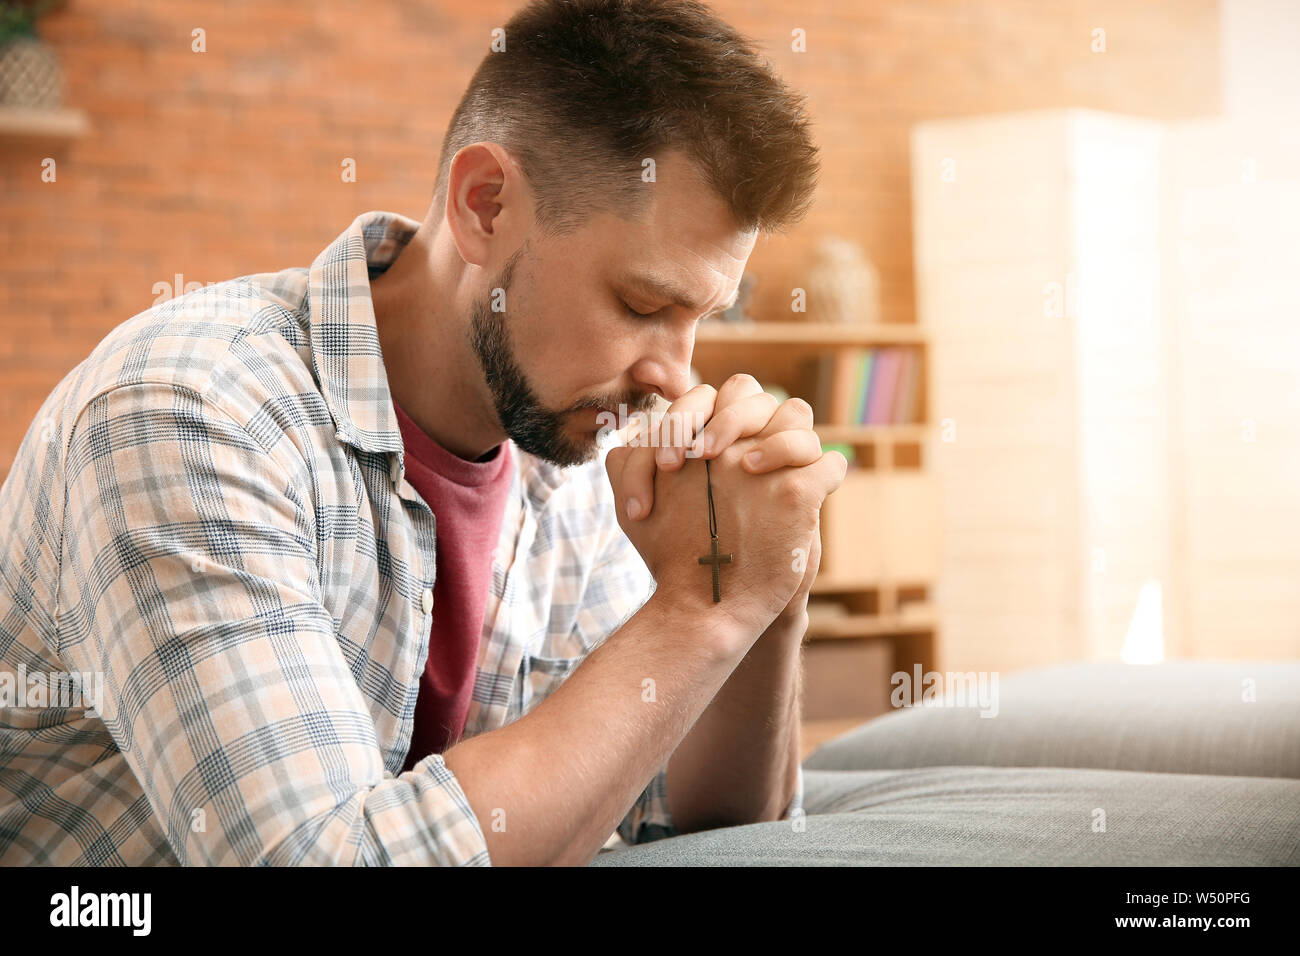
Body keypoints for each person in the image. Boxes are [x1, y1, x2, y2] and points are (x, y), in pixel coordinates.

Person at [0, 0, 844, 865]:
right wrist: (694, 615)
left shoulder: (571, 446)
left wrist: (761, 597)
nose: (675, 372)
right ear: (484, 206)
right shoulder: (192, 409)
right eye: (640, 304)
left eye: (701, 316)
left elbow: (692, 823)